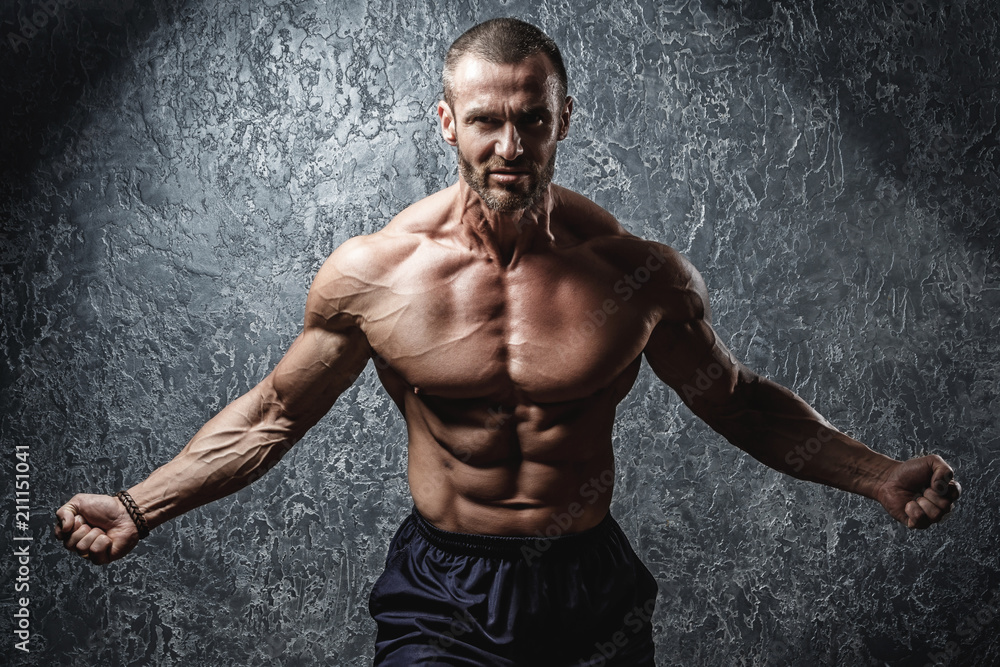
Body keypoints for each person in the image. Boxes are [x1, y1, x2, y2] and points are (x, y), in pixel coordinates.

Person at [55, 17, 961, 666]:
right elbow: (273, 416)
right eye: (487, 119)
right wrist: (140, 505)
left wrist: (877, 474)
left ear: (565, 118)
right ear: (448, 122)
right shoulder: (377, 274)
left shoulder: (638, 274)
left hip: (590, 582)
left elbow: (736, 401)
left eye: (531, 118)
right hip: (443, 589)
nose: (511, 145)